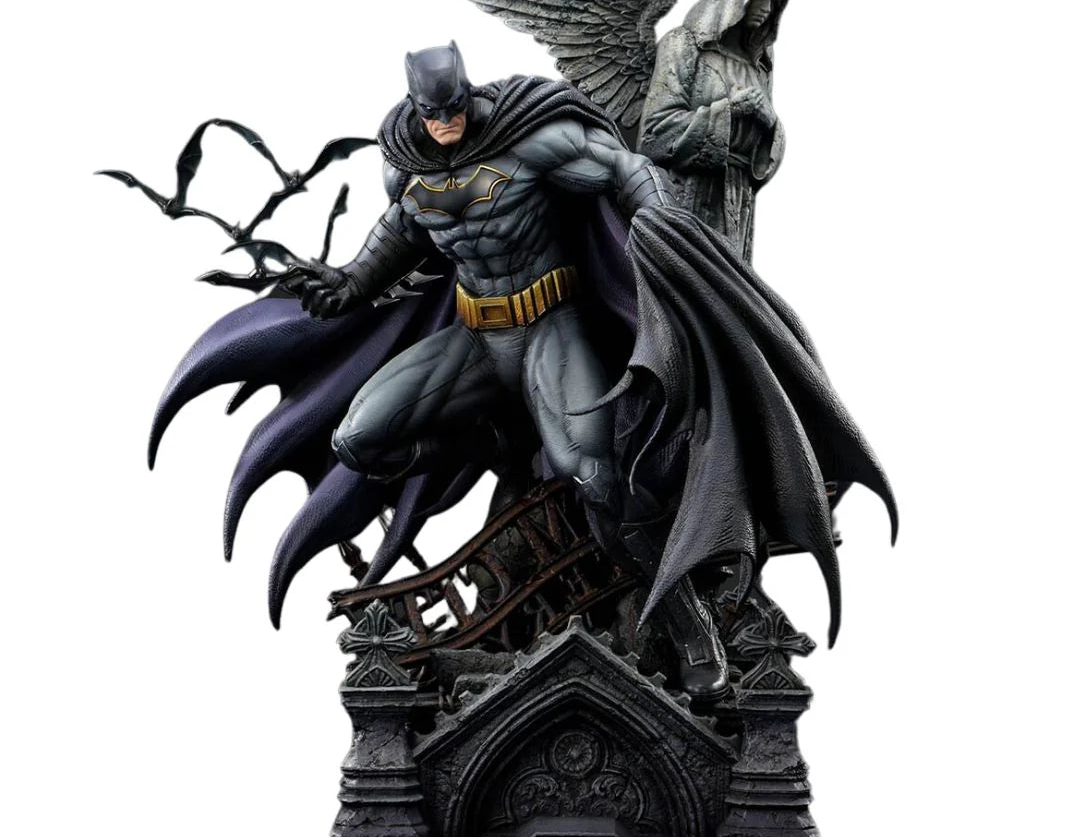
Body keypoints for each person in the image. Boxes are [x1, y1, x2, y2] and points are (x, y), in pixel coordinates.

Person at [152, 41, 895, 698]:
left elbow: (625, 168)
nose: (447, 125)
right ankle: (494, 442)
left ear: (467, 97)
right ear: (415, 111)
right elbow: (397, 238)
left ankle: (687, 622)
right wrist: (346, 284)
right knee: (358, 439)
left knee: (595, 477)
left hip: (551, 329)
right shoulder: (407, 165)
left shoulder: (527, 140)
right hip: (475, 341)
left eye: (454, 111)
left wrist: (656, 222)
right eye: (433, 116)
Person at [640, 0, 788, 262]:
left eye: (774, 0)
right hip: (687, 196)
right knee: (687, 283)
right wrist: (729, 111)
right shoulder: (684, 45)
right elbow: (653, 136)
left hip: (738, 201)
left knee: (730, 289)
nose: (767, 7)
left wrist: (769, 123)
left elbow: (762, 161)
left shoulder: (759, 64)